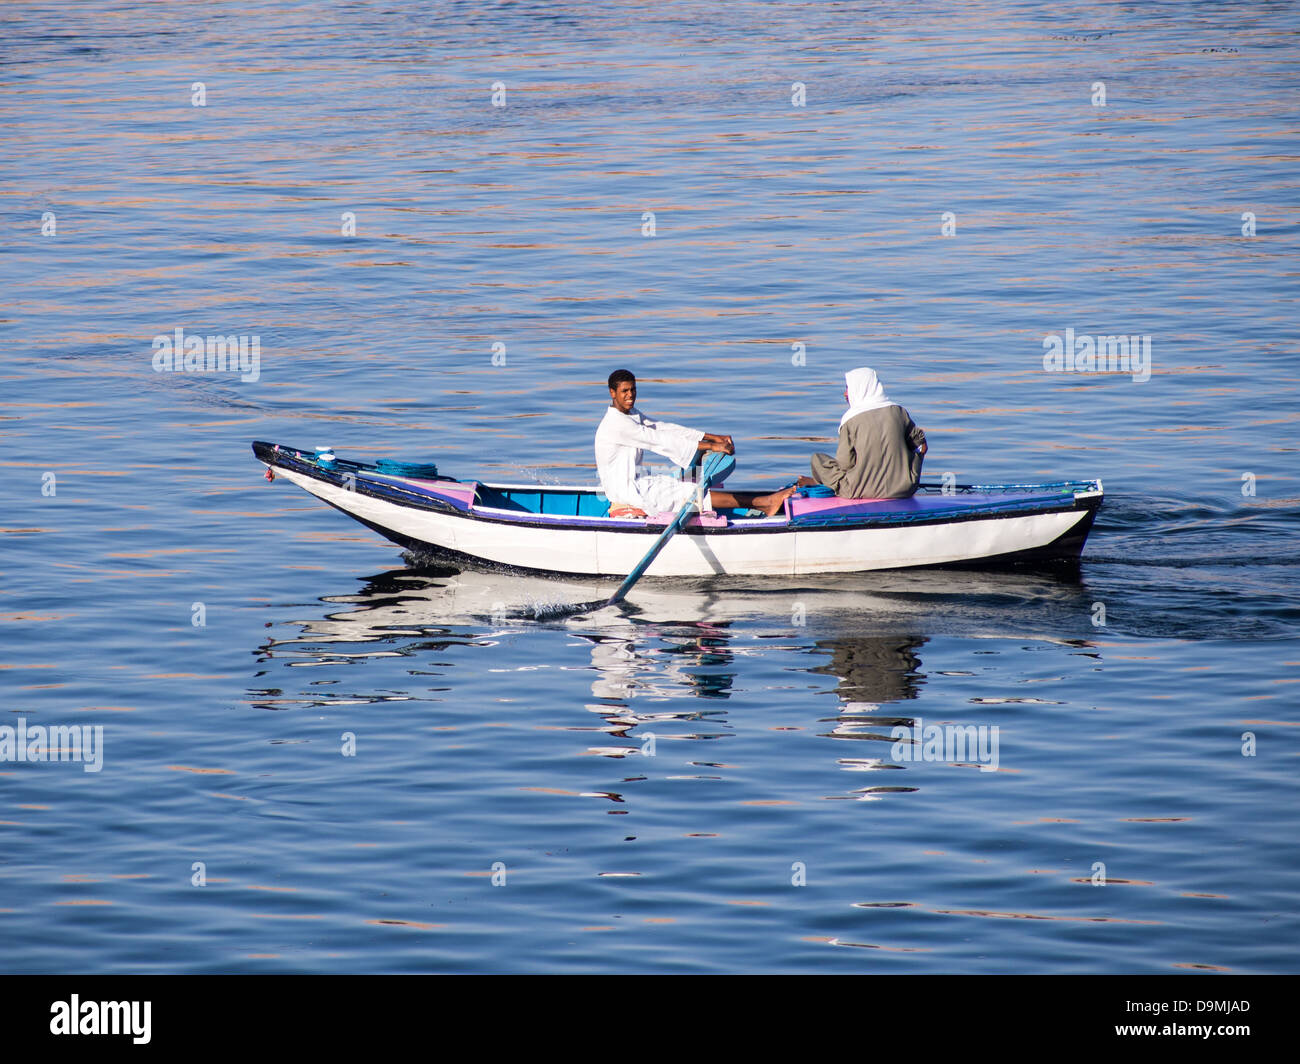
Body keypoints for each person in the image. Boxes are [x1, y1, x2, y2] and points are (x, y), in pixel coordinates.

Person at [596, 369, 797, 518]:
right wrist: (711, 447)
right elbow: (657, 440)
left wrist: (712, 437)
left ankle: (763, 502)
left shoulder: (631, 415)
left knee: (680, 485)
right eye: (624, 391)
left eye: (633, 390)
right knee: (690, 493)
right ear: (612, 393)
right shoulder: (616, 424)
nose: (630, 395)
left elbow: (663, 428)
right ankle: (765, 502)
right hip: (624, 490)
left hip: (637, 482)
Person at [796, 368, 927, 499]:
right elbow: (921, 445)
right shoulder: (899, 411)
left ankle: (823, 482)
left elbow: (845, 464)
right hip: (906, 488)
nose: (845, 394)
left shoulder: (850, 420)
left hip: (859, 491)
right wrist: (912, 462)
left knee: (818, 459)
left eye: (848, 388)